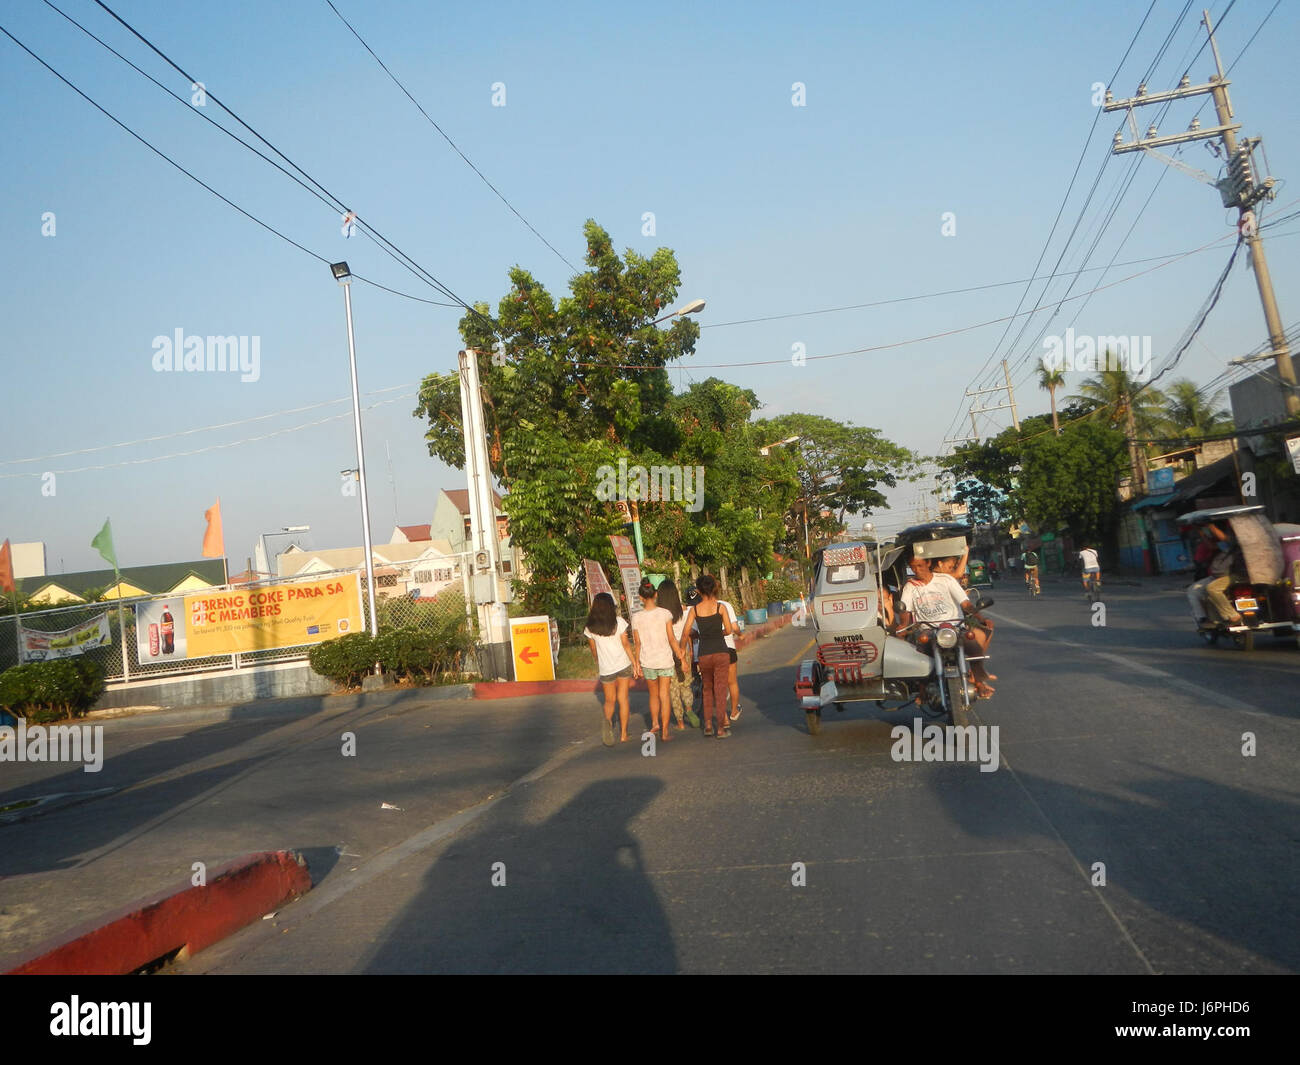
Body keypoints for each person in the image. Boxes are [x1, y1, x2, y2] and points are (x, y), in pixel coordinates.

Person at [895, 549, 995, 698]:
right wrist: (903, 625)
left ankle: (978, 682)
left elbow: (966, 604)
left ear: (928, 563)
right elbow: (905, 610)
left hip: (955, 628)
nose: (917, 570)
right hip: (928, 631)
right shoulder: (910, 586)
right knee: (919, 656)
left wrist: (981, 618)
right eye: (913, 567)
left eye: (920, 566)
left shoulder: (946, 580)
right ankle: (922, 690)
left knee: (975, 649)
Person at [679, 574, 737, 737]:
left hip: (704, 654)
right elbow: (729, 629)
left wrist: (682, 650)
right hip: (720, 651)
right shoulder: (720, 607)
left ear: (698, 590)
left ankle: (709, 726)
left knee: (707, 689)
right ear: (714, 588)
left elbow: (685, 633)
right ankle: (720, 728)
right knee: (720, 690)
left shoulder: (695, 610)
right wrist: (717, 632)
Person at [584, 592, 640, 746]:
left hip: (606, 668)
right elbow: (626, 644)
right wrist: (635, 662)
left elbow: (593, 650)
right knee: (623, 699)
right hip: (622, 664)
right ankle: (623, 734)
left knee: (609, 700)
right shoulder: (619, 622)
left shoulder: (590, 627)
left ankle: (608, 722)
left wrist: (598, 660)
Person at [631, 580, 683, 742]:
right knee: (664, 695)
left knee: (653, 695)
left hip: (647, 661)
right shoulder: (665, 614)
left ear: (640, 597)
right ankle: (665, 731)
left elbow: (637, 643)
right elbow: (671, 638)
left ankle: (654, 723)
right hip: (665, 660)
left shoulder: (636, 617)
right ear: (655, 595)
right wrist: (680, 654)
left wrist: (636, 664)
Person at [654, 580, 699, 730]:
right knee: (685, 683)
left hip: (666, 653)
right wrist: (690, 650)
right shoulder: (683, 610)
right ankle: (689, 709)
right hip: (682, 649)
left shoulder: (659, 615)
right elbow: (688, 632)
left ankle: (679, 721)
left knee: (672, 688)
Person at [1186, 523, 1245, 626]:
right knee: (1194, 590)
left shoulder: (1234, 542)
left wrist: (1207, 528)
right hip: (1222, 575)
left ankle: (1230, 616)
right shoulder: (1230, 543)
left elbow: (1217, 543)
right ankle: (1205, 619)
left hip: (1231, 575)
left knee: (1211, 588)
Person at [716, 592, 744, 723]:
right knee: (731, 682)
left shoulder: (699, 608)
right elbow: (733, 627)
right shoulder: (725, 605)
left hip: (710, 650)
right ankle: (734, 711)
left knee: (718, 685)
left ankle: (724, 718)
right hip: (728, 647)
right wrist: (740, 635)